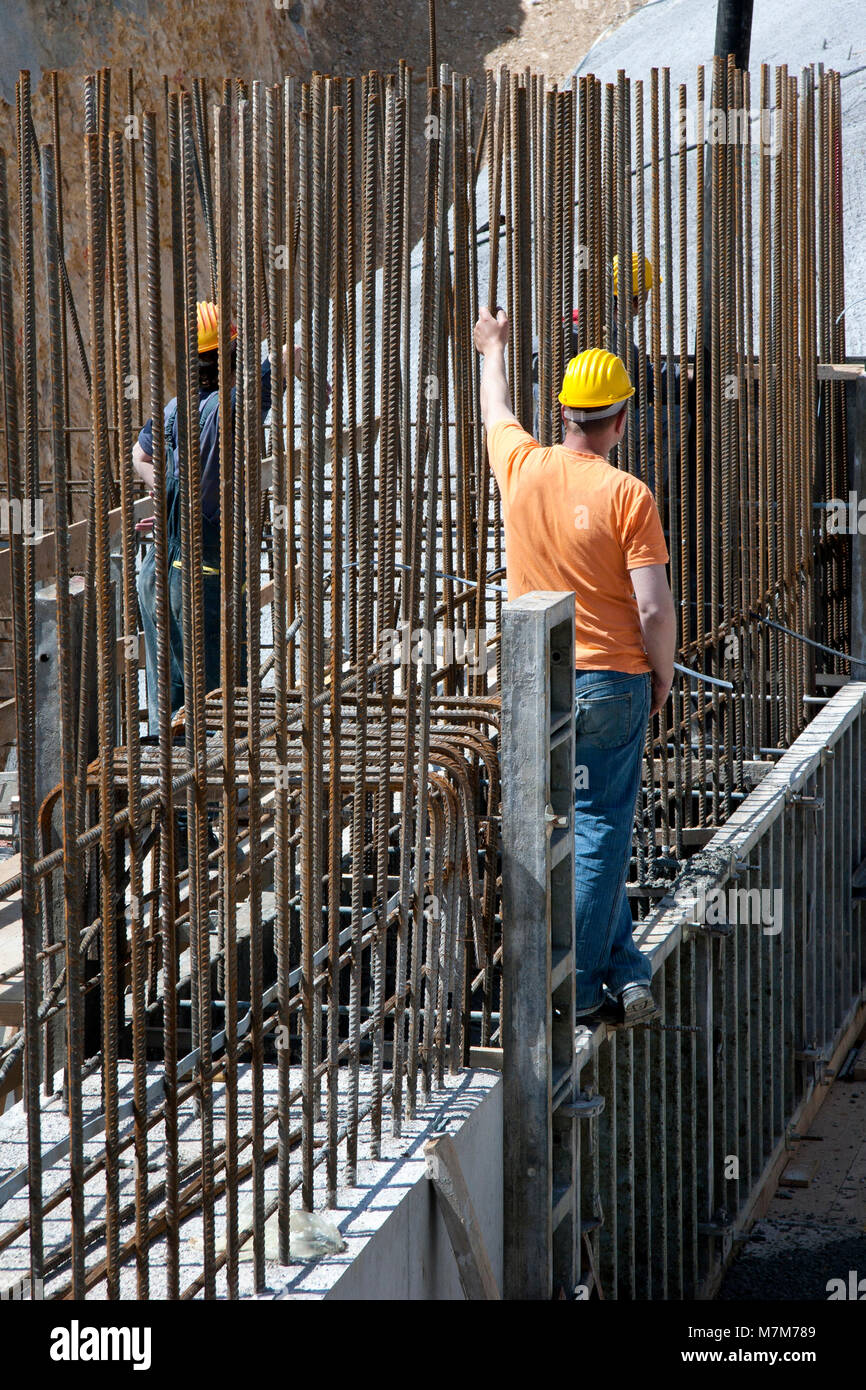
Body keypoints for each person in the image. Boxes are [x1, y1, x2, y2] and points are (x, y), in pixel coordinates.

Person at [474, 305, 676, 1028]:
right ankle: (584, 989)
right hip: (614, 683)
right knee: (598, 828)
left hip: (537, 689)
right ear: (620, 419)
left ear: (562, 413)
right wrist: (664, 676)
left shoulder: (522, 468)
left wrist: (492, 345)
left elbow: (495, 404)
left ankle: (624, 970)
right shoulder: (629, 496)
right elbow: (653, 611)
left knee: (578, 827)